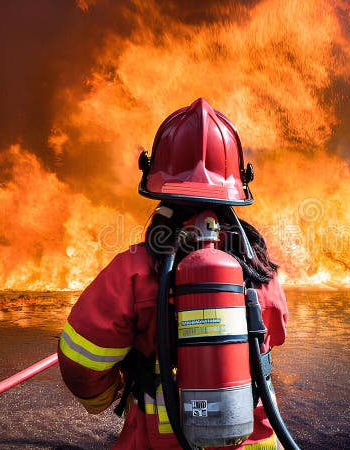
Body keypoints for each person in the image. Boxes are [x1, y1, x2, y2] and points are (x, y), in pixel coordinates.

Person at [58, 98, 289, 450]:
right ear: (237, 187)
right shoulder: (259, 271)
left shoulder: (134, 271)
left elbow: (79, 360)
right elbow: (276, 334)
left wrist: (108, 396)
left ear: (159, 185)